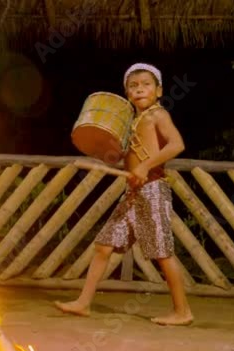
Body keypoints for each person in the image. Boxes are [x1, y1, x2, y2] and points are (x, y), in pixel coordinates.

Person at [56, 63, 193, 326]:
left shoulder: (157, 115)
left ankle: (182, 311)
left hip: (153, 191)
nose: (139, 89)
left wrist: (144, 166)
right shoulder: (133, 121)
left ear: (159, 90)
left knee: (162, 252)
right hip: (133, 193)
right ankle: (84, 303)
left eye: (146, 84)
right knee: (104, 246)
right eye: (133, 86)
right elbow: (125, 158)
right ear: (127, 93)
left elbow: (177, 144)